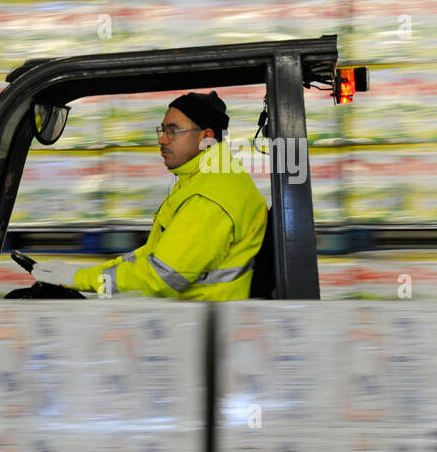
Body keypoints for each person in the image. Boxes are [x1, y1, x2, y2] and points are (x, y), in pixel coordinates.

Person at [28, 91, 267, 300]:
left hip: (199, 326)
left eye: (173, 132)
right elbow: (152, 256)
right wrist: (79, 274)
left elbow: (158, 278)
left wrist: (78, 278)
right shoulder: (201, 180)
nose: (162, 140)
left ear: (206, 137)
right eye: (162, 131)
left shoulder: (211, 196)